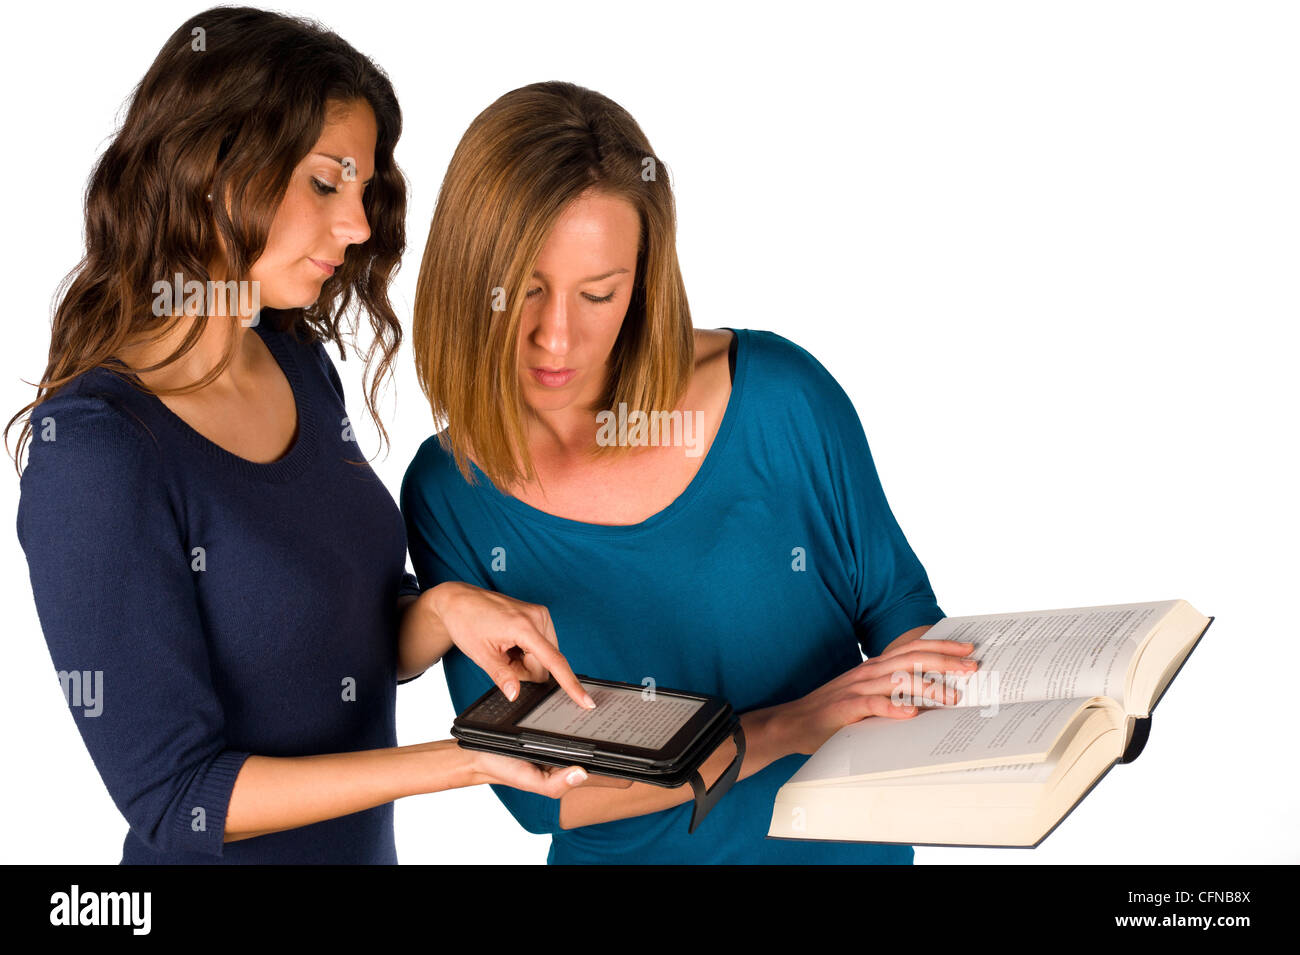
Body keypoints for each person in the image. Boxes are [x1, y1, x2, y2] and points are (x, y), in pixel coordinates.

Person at [10, 9, 613, 866]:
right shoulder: (99, 453)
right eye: (325, 184)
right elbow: (179, 797)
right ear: (214, 172)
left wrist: (439, 609)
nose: (359, 225)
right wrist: (460, 762)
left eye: (363, 189)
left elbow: (328, 642)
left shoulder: (296, 362)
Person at [400, 80, 980, 864]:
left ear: (643, 283)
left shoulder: (780, 398)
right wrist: (789, 725)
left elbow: (904, 619)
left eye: (598, 294)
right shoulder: (450, 489)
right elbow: (539, 793)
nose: (557, 337)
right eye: (525, 292)